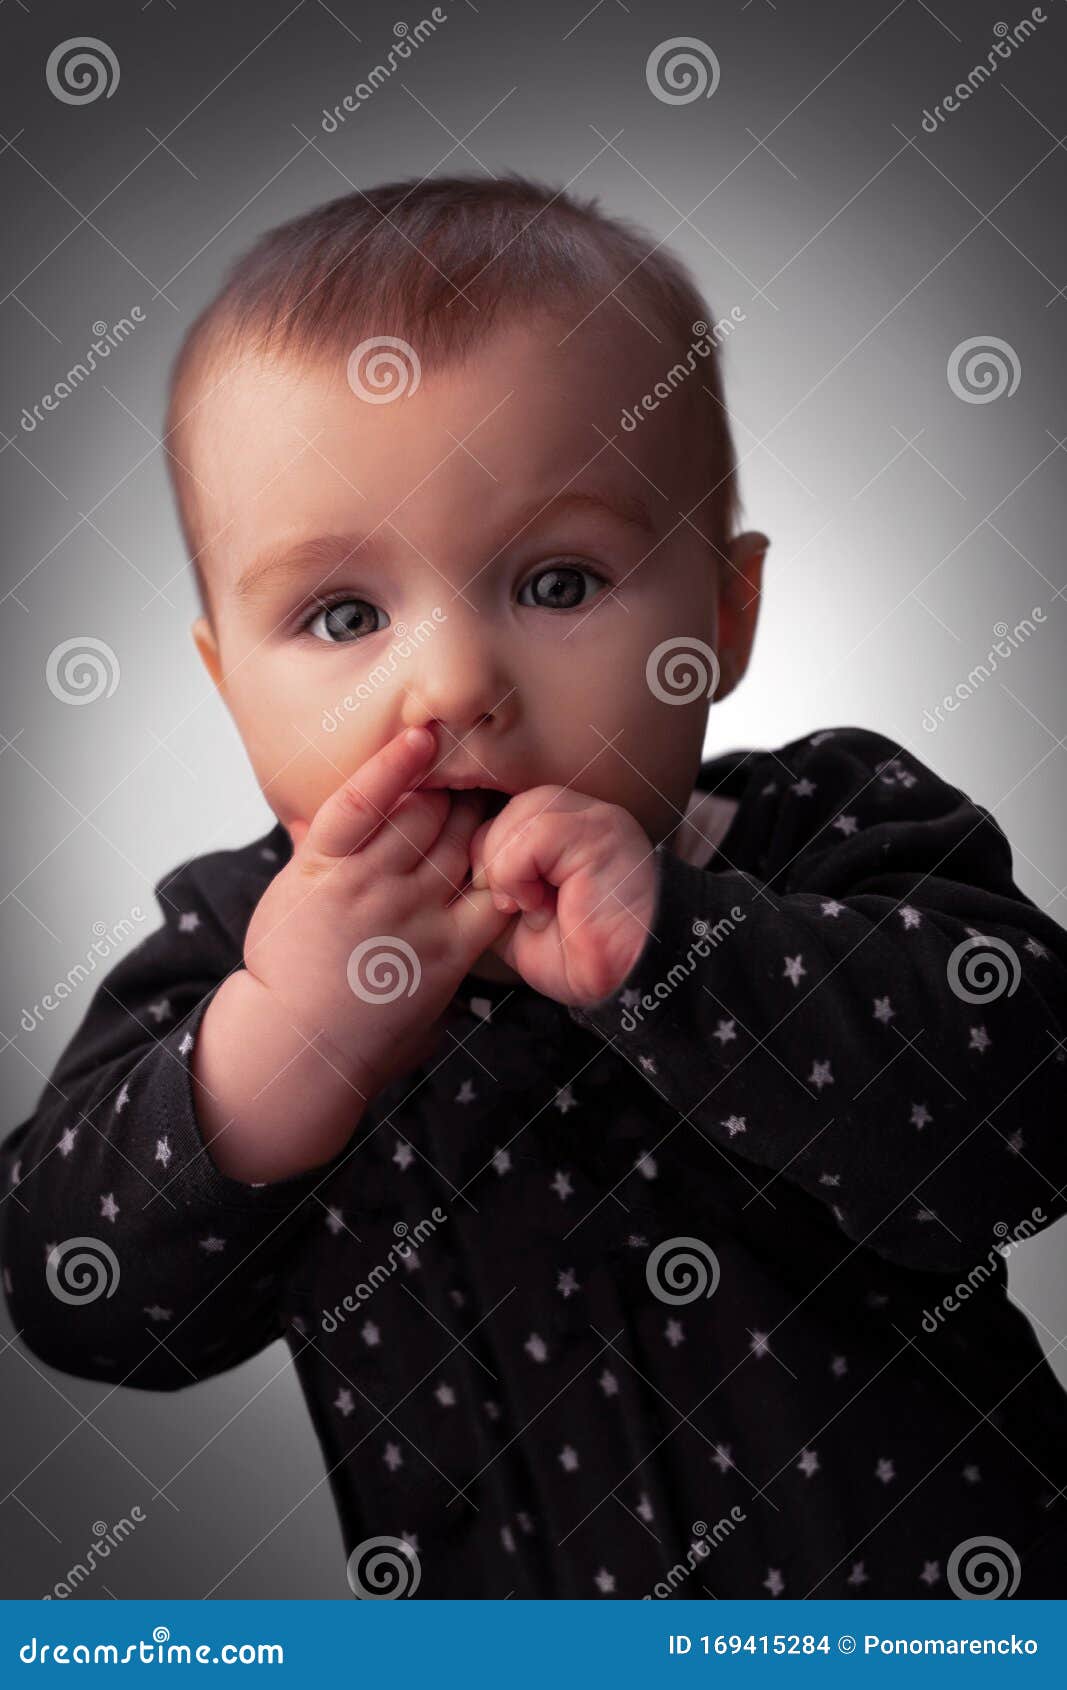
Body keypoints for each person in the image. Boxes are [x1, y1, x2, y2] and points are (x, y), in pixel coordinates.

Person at [3, 175, 1066, 1600]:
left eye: (559, 583)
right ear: (226, 679)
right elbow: (79, 1300)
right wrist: (272, 1055)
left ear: (722, 613)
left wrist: (685, 948)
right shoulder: (241, 948)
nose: (450, 685)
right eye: (341, 614)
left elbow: (1032, 1116)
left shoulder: (825, 833)